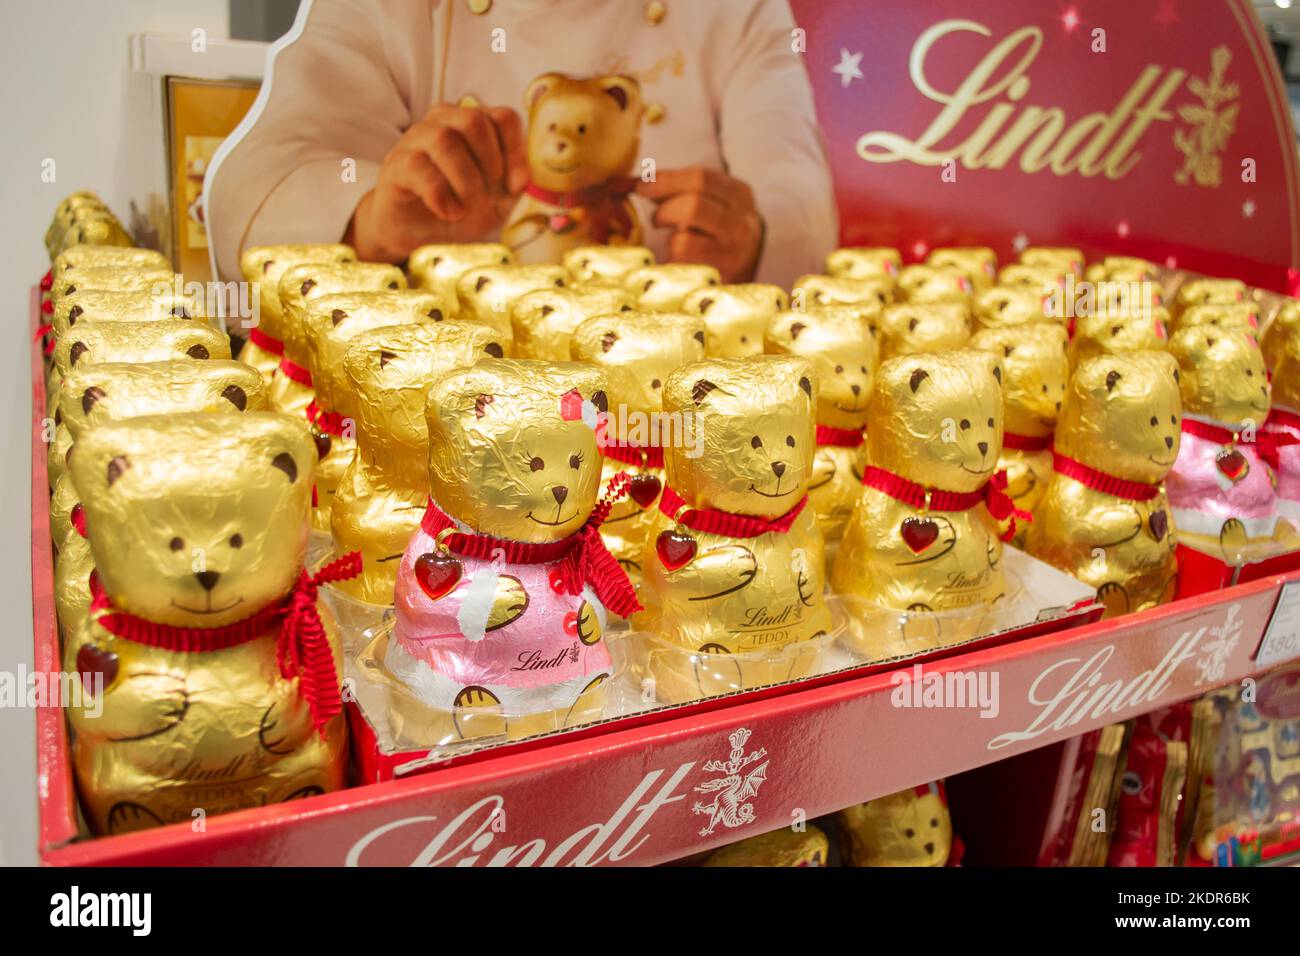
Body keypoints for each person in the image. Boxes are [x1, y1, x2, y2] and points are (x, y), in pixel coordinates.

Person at [205, 0, 837, 288]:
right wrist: (370, 220)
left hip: (664, 410)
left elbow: (797, 196)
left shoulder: (738, 10)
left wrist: (751, 239)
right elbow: (258, 183)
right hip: (445, 408)